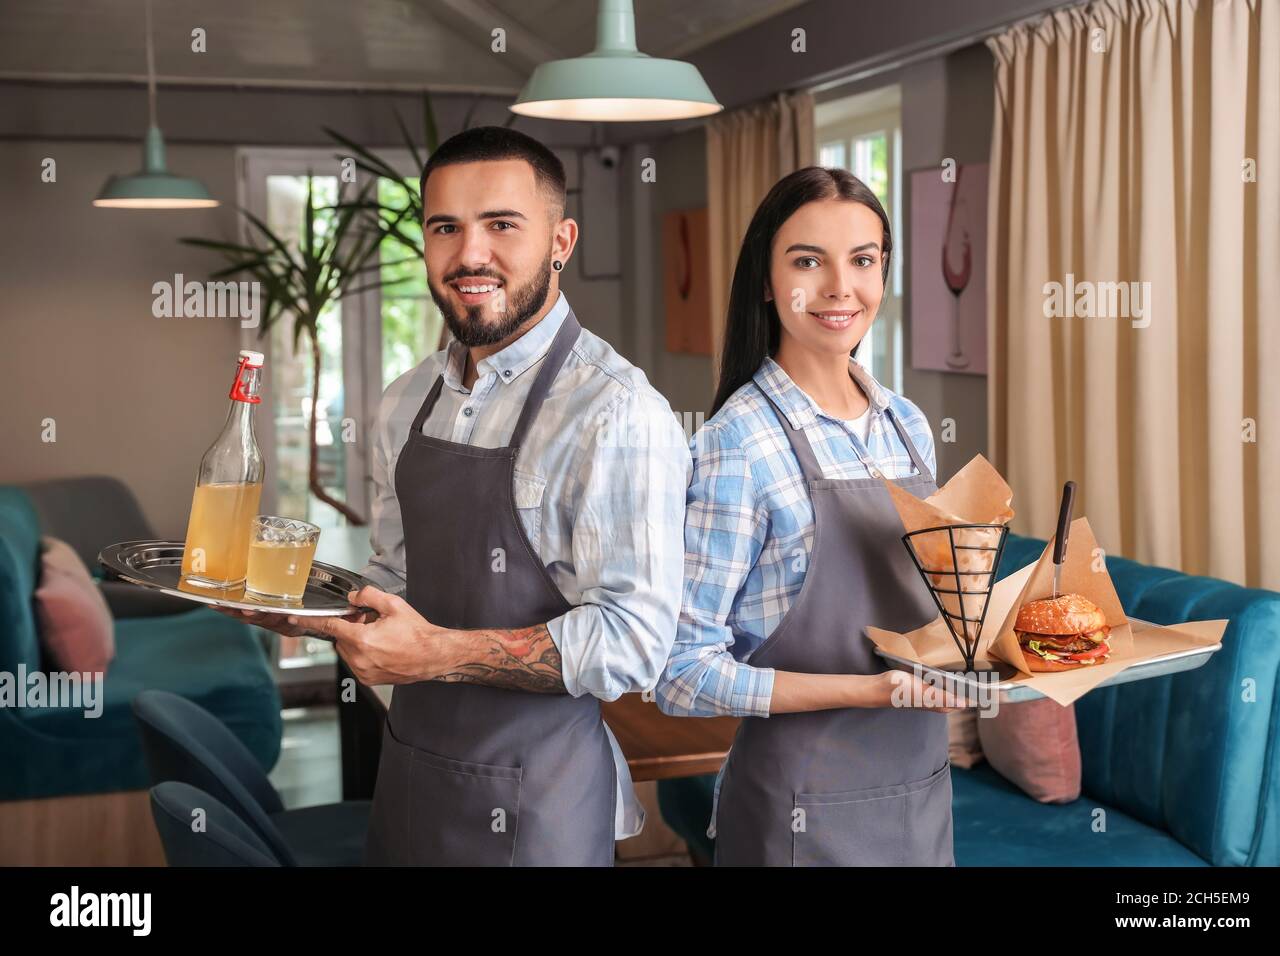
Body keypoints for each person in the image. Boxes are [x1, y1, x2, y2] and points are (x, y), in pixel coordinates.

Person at [228, 126, 690, 866]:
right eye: (446, 227)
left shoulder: (617, 412)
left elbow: (635, 644)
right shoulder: (406, 399)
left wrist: (437, 655)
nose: (470, 254)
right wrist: (305, 608)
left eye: (502, 224)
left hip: (540, 807)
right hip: (413, 776)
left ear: (561, 239)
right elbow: (398, 575)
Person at [655, 165, 965, 867]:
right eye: (807, 261)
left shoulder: (908, 427)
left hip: (919, 796)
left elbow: (928, 613)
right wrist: (870, 691)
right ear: (765, 281)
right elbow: (679, 674)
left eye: (862, 260)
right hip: (798, 814)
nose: (839, 288)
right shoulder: (737, 443)